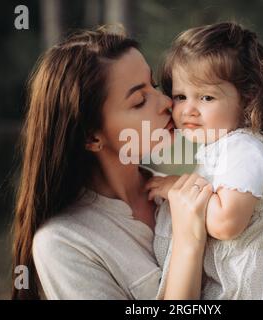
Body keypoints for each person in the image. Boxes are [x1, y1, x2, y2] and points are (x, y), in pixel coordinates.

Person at [11, 26, 213, 300]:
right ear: (91, 136)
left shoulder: (178, 192)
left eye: (153, 85)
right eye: (140, 101)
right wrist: (189, 242)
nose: (166, 101)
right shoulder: (63, 244)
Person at [146, 22, 263, 299]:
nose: (189, 110)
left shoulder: (243, 149)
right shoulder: (221, 147)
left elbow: (225, 223)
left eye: (206, 97)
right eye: (181, 97)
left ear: (248, 97)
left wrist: (176, 190)